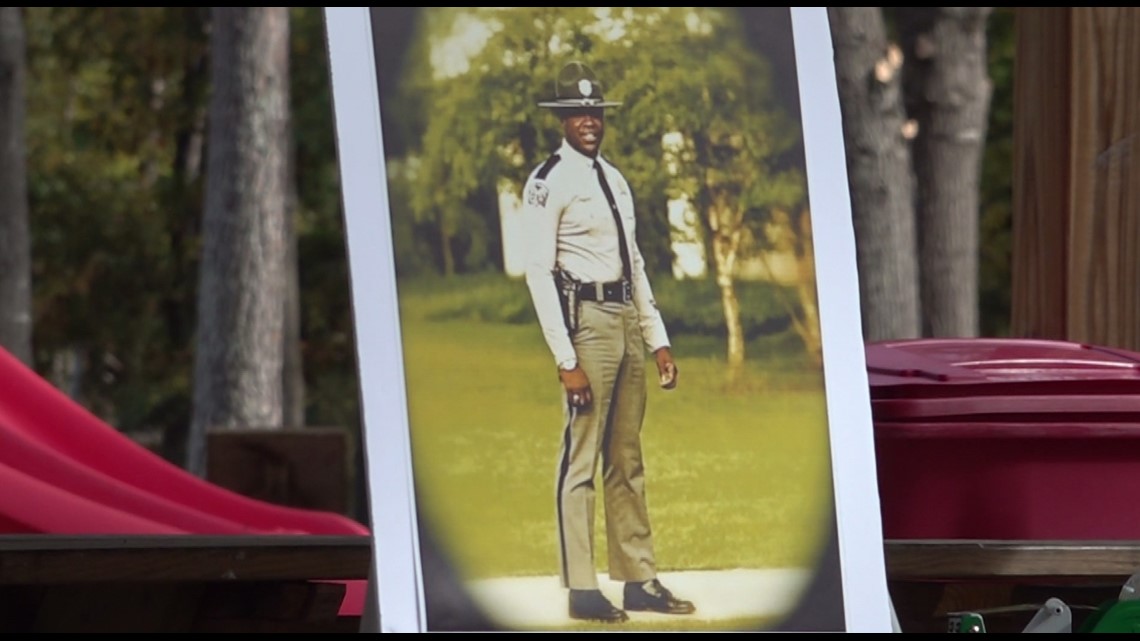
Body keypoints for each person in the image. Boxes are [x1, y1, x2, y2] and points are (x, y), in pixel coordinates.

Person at [521, 61, 696, 624]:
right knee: (581, 459)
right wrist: (565, 359)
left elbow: (634, 261)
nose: (589, 121)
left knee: (626, 458)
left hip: (624, 319)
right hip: (587, 322)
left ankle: (638, 579)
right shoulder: (548, 182)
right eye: (578, 114)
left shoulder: (615, 179)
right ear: (562, 120)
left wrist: (657, 337)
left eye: (595, 112)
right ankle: (581, 588)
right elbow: (538, 273)